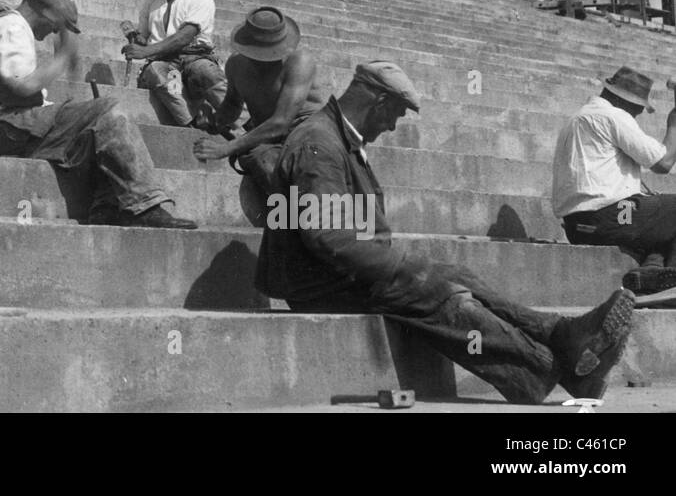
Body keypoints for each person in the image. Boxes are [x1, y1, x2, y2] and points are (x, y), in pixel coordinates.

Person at [258, 60, 636, 404]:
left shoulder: (337, 137)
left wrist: (402, 263)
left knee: (455, 274)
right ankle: (547, 366)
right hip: (317, 285)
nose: (391, 126)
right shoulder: (319, 144)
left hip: (338, 272)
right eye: (395, 115)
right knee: (442, 291)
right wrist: (402, 264)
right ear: (379, 102)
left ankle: (558, 341)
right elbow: (329, 237)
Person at [0, 0, 196, 229]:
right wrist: (62, 57)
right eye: (58, 24)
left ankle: (106, 207)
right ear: (44, 11)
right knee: (107, 110)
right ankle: (144, 205)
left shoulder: (11, 26)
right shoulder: (12, 26)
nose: (54, 31)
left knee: (95, 130)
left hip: (13, 128)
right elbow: (22, 86)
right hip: (4, 127)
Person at [553, 67, 676, 296]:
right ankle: (672, 282)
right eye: (639, 108)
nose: (638, 115)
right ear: (626, 101)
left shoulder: (577, 118)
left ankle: (651, 272)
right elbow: (663, 163)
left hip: (577, 226)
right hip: (612, 216)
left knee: (659, 219)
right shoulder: (613, 116)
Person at [193, 7, 327, 211]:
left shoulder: (299, 61)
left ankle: (312, 222)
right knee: (260, 160)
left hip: (309, 137)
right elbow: (232, 106)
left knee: (277, 165)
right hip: (269, 140)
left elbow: (281, 122)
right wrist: (214, 120)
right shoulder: (235, 65)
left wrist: (228, 148)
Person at [122, 0, 227, 129]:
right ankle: (193, 123)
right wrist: (135, 39)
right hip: (168, 66)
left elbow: (184, 37)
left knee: (205, 72)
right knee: (157, 72)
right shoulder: (152, 1)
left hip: (194, 60)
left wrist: (145, 51)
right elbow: (144, 37)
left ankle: (244, 123)